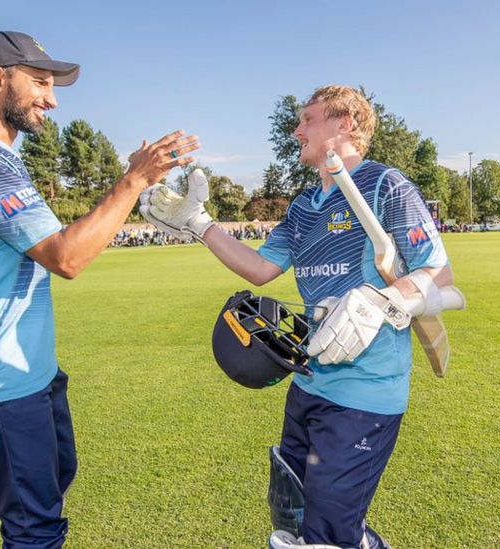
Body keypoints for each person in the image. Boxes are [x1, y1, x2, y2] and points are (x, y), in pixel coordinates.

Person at [140, 85, 459, 549]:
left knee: (326, 536)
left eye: (308, 119)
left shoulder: (385, 185)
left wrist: (381, 301)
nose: (296, 130)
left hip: (365, 393)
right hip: (308, 384)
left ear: (344, 124)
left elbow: (440, 273)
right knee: (292, 519)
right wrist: (200, 225)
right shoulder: (302, 207)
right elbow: (260, 268)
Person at [0, 31, 198, 548]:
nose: (52, 99)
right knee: (34, 529)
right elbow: (66, 257)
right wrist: (132, 182)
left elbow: (62, 242)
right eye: (42, 83)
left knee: (49, 497)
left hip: (29, 371)